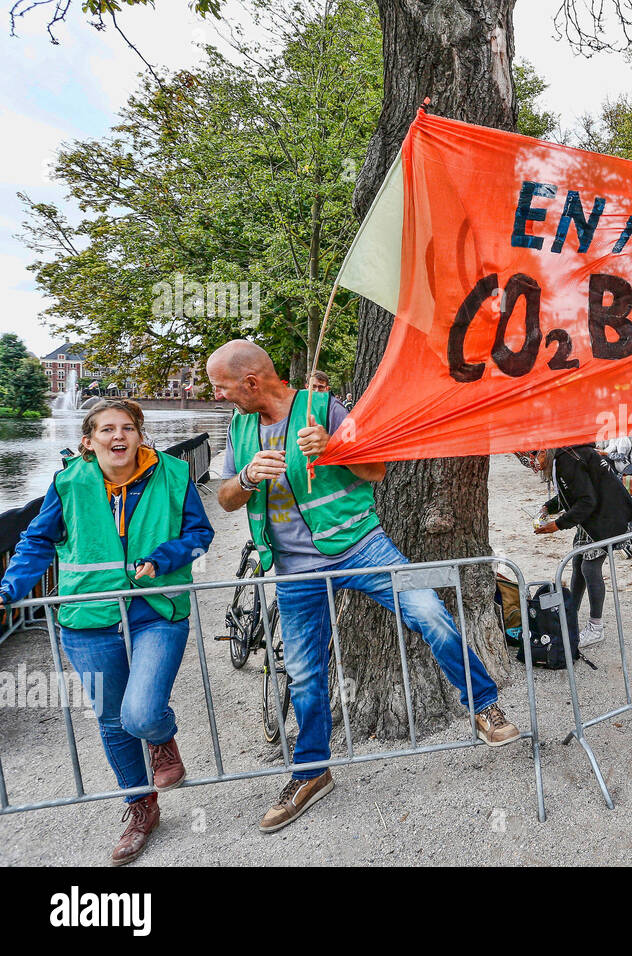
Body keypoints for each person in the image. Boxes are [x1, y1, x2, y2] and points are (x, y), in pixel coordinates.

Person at [209, 340, 518, 835]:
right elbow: (224, 498)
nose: (218, 396)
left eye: (221, 387)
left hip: (360, 546)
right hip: (293, 569)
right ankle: (310, 773)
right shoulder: (239, 427)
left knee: (429, 612)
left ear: (249, 382)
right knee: (306, 675)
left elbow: (377, 470)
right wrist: (245, 477)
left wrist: (334, 449)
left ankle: (483, 705)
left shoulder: (324, 408)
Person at [0, 399, 213, 864]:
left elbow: (200, 534)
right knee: (112, 719)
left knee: (140, 713)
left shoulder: (175, 475)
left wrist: (164, 558)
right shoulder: (69, 482)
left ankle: (160, 736)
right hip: (87, 615)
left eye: (127, 428)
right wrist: (10, 589)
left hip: (156, 607)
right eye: (107, 430)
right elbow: (37, 540)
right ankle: (140, 809)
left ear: (140, 435)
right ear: (88, 441)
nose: (118, 437)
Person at [534, 444, 632, 648]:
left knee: (589, 568)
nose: (534, 464)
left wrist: (558, 524)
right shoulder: (567, 455)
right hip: (595, 516)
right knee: (578, 563)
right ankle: (570, 614)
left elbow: (586, 501)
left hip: (606, 517)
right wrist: (549, 506)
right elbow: (575, 492)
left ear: (543, 451)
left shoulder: (567, 460)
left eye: (534, 456)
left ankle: (595, 627)